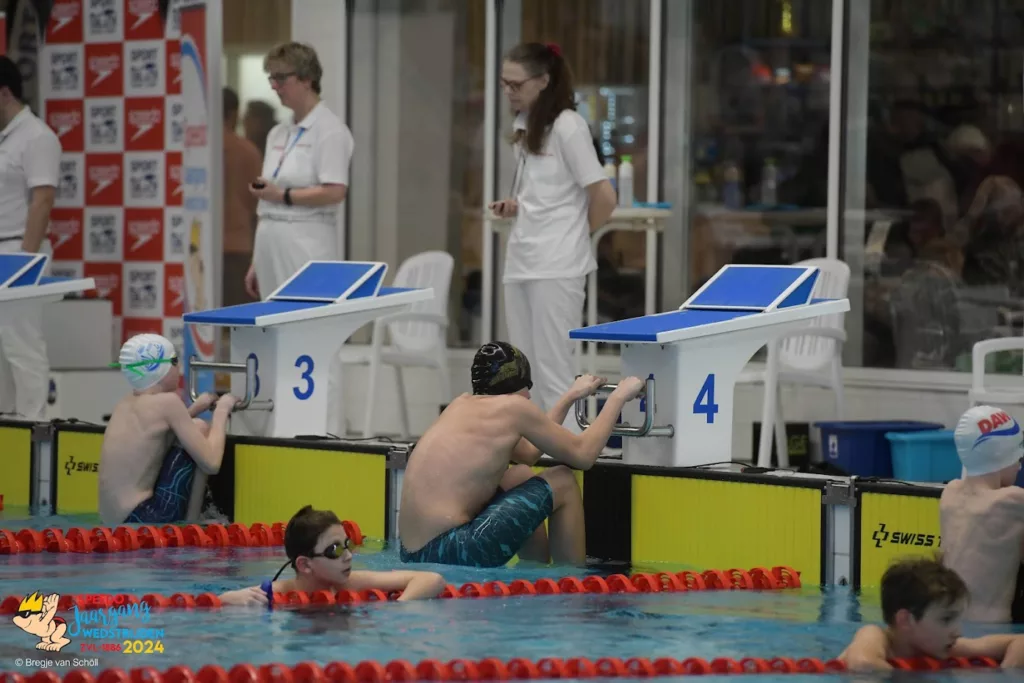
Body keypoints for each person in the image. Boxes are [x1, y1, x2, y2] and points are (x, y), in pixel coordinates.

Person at [398, 341, 644, 568]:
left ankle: (533, 572)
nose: (529, 397)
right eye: (528, 389)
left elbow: (529, 454)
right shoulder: (514, 408)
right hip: (453, 550)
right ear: (518, 384)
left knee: (520, 475)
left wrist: (570, 397)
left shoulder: (461, 405)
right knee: (564, 480)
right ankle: (571, 584)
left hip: (413, 554)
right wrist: (618, 397)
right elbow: (584, 456)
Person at [488, 43, 617, 432]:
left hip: (557, 264)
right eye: (504, 84)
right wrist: (519, 208)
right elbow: (548, 193)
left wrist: (576, 233)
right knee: (522, 373)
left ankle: (569, 461)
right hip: (522, 259)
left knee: (554, 370)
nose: (509, 92)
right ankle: (537, 456)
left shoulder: (568, 126)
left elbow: (605, 197)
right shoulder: (527, 125)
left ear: (544, 81)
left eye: (516, 84)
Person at [245, 42, 354, 300]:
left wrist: (282, 195)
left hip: (305, 240)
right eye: (271, 78)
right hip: (269, 239)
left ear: (307, 79)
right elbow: (267, 200)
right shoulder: (278, 133)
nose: (274, 86)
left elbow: (335, 192)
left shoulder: (330, 131)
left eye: (281, 78)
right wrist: (256, 260)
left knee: (304, 323)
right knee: (273, 328)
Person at [98, 334, 236, 526]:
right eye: (174, 361)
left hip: (113, 522)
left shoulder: (125, 402)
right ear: (157, 368)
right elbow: (211, 462)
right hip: (145, 518)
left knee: (191, 428)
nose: (179, 368)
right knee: (200, 427)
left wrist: (197, 407)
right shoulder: (168, 402)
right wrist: (222, 410)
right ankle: (191, 522)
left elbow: (161, 434)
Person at [219, 505, 446, 607]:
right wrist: (226, 600)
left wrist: (399, 608)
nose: (347, 556)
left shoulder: (350, 582)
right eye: (335, 550)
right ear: (305, 565)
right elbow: (217, 602)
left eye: (347, 545)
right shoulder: (274, 595)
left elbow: (432, 579)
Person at [0, 56, 61, 420]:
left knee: (22, 347)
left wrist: (24, 262)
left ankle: (33, 427)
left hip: (17, 250)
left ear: (4, 93)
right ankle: (6, 422)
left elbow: (43, 201)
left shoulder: (38, 137)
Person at [838, 557, 1024, 671]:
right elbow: (863, 665)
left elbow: (1019, 641)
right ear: (905, 620)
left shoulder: (942, 647)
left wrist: (1006, 672)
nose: (957, 632)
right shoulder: (874, 636)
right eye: (946, 619)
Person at [939, 405, 1024, 623]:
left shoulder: (950, 493)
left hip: (944, 626)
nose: (1019, 467)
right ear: (1001, 457)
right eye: (1018, 459)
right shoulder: (1013, 501)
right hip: (990, 632)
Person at [222, 87, 262, 307]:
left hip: (199, 246)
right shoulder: (247, 152)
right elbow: (259, 199)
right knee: (237, 323)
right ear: (234, 113)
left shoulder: (195, 150)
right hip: (238, 244)